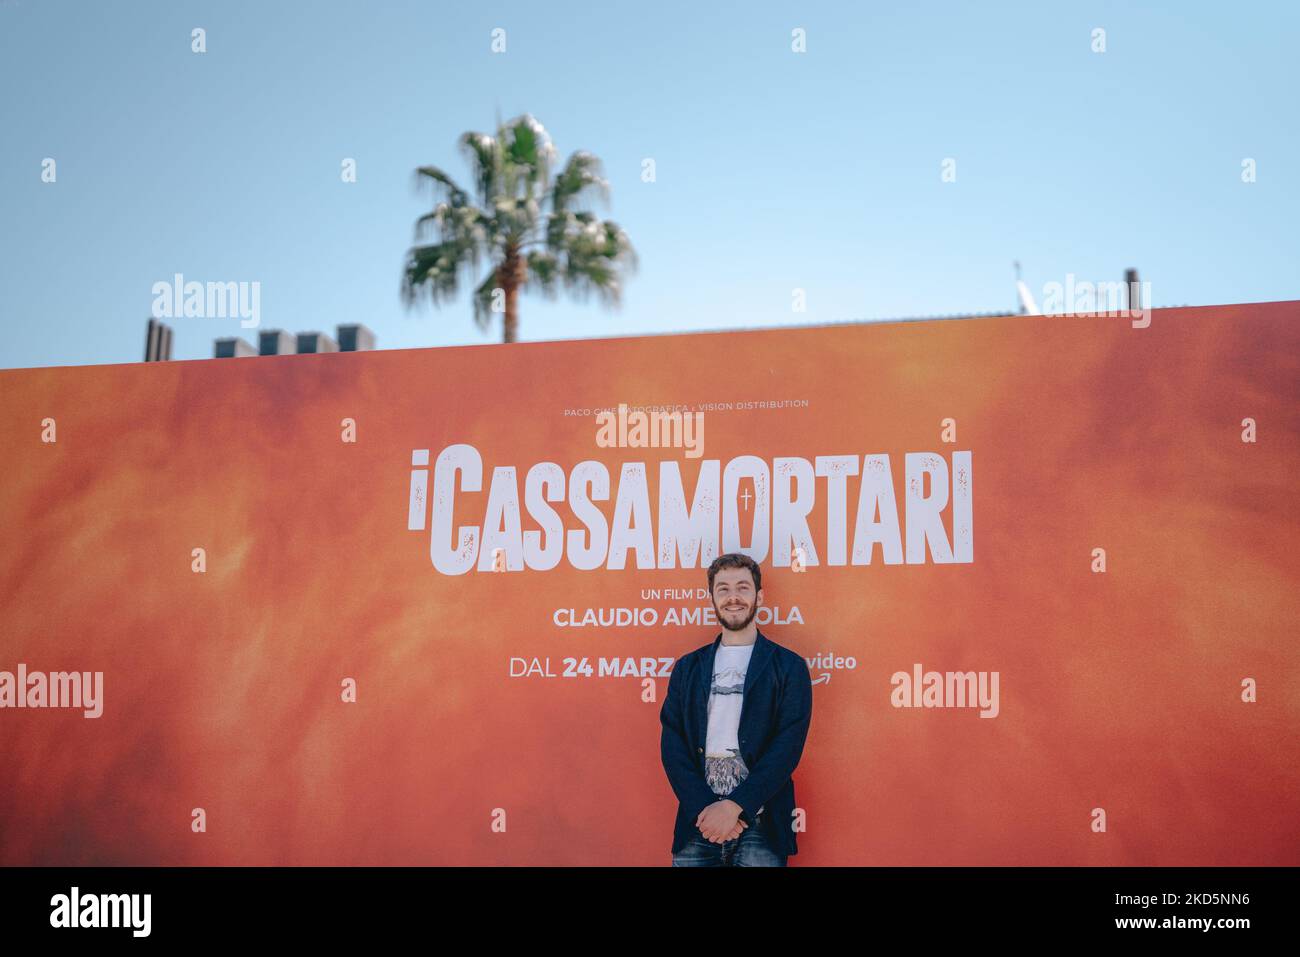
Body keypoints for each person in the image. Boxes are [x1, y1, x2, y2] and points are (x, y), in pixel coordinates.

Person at [660, 552, 814, 866]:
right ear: (712, 598)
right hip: (698, 822)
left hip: (763, 825)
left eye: (743, 587)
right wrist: (706, 809)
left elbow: (787, 747)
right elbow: (672, 745)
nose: (734, 597)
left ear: (759, 596)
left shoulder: (788, 667)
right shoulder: (688, 668)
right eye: (724, 589)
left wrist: (735, 807)